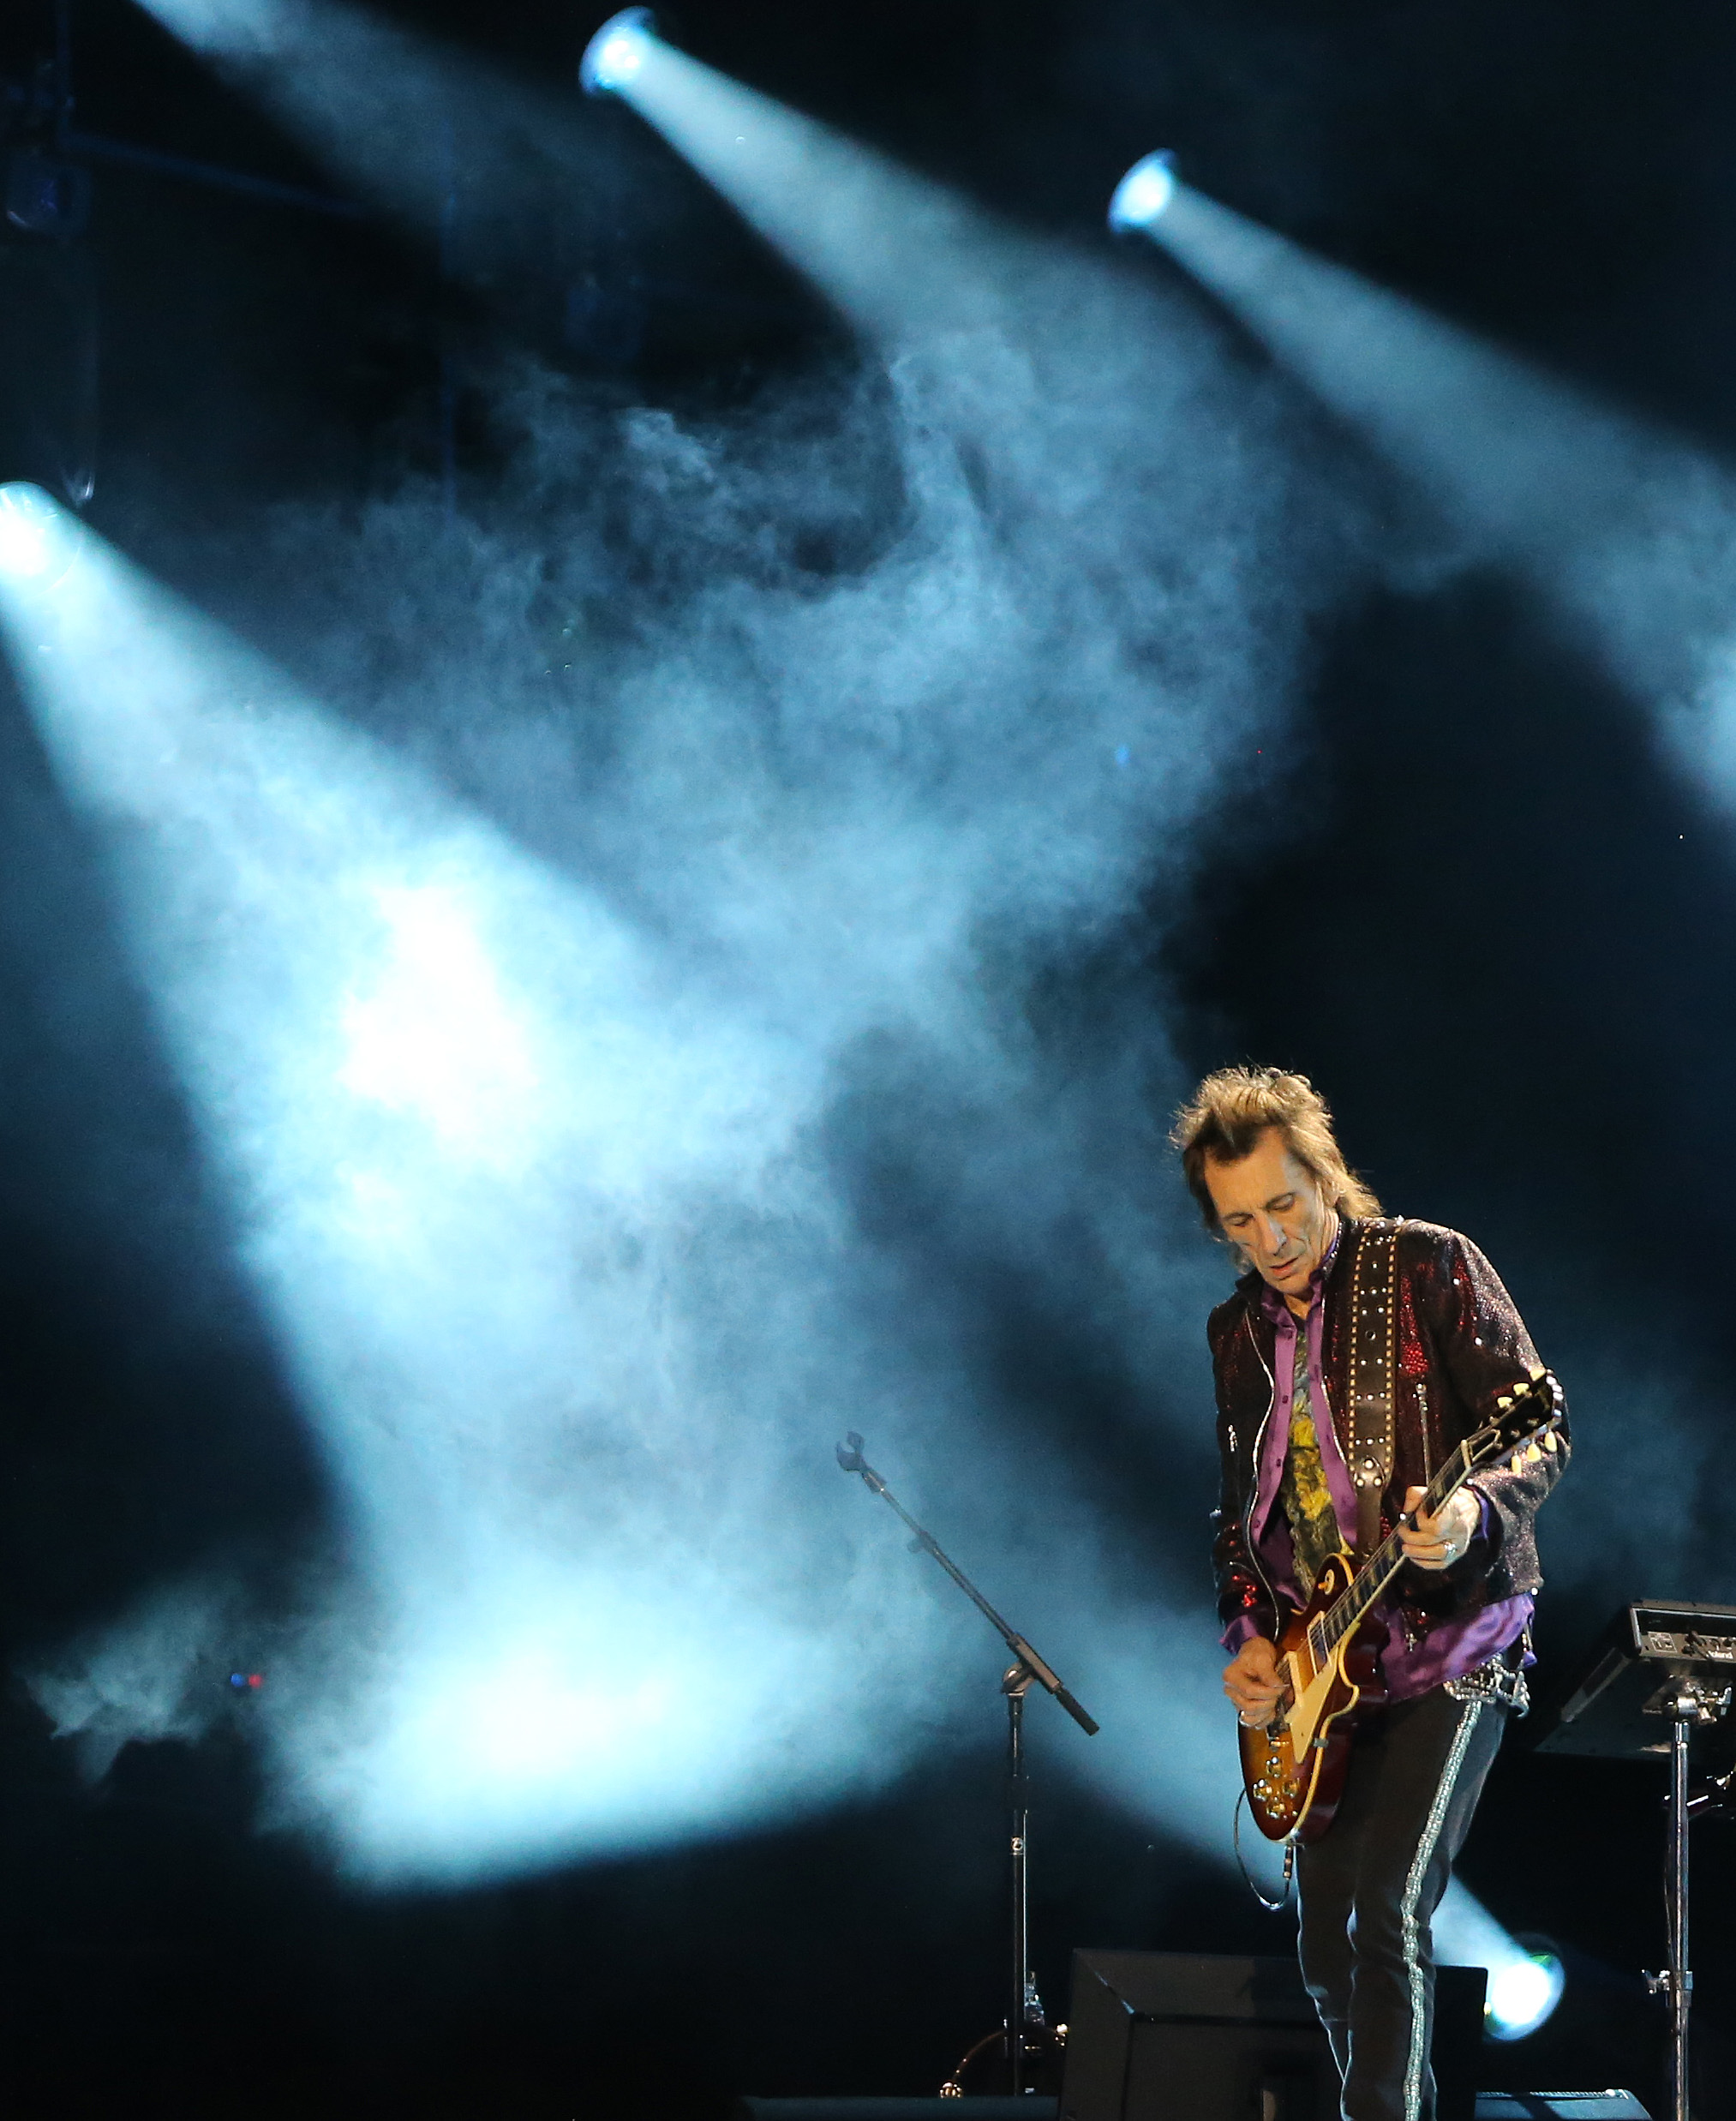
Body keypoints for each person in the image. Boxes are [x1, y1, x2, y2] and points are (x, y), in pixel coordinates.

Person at [1170, 1066, 1568, 2121]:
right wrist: (1252, 1635)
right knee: (1320, 1947)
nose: (1270, 1239)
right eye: (1240, 1221)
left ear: (1325, 1174)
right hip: (1327, 1670)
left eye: (1284, 1205)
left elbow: (1536, 1425)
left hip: (1457, 1643)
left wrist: (1471, 1515)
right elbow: (1234, 1517)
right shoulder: (1236, 1335)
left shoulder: (1428, 1267)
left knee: (1383, 1914)